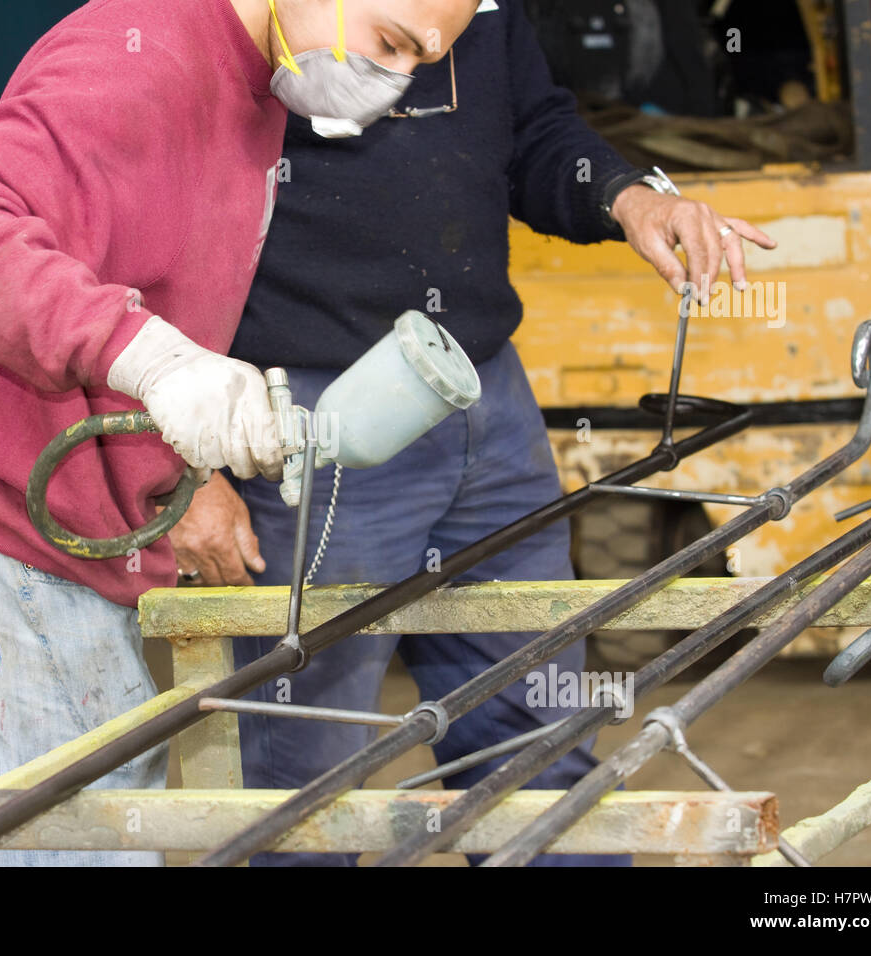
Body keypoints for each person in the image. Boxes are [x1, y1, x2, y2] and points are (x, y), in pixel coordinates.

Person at [0, 0, 481, 866]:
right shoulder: (141, 57)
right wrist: (150, 356)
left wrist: (181, 459)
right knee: (73, 850)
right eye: (390, 43)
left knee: (110, 828)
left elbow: (144, 255)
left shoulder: (259, 77)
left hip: (79, 530)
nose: (396, 79)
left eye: (423, 61)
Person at [167, 0, 775, 866]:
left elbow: (531, 132)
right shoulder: (204, 31)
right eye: (396, 43)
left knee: (540, 731)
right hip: (311, 415)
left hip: (483, 399)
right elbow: (128, 241)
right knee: (303, 766)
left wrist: (626, 198)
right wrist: (184, 468)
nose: (421, 60)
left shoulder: (480, 14)